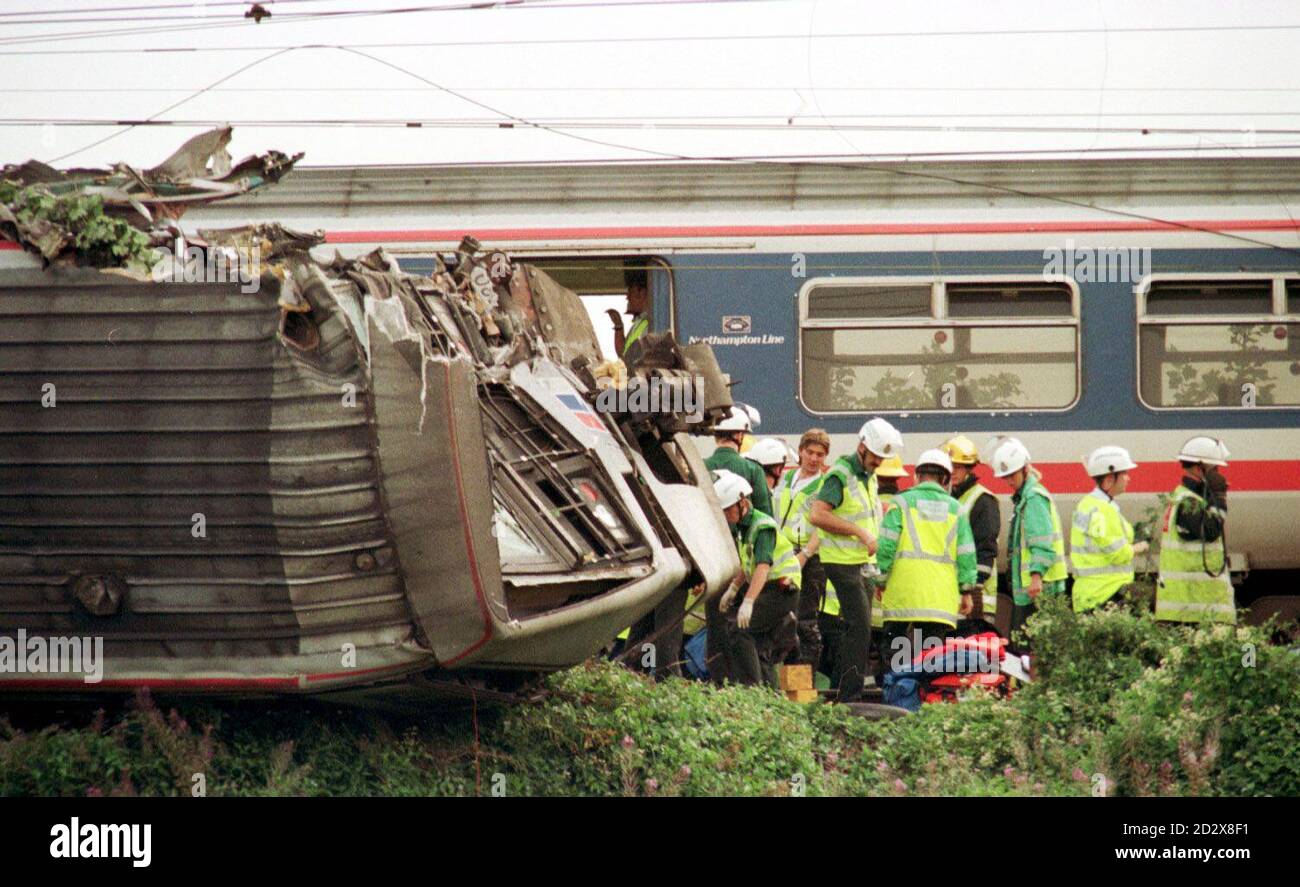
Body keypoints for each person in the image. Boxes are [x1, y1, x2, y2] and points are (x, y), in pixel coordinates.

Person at [807, 417, 901, 702]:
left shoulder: (867, 477)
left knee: (859, 629)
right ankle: (848, 696)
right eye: (876, 456)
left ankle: (842, 692)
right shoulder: (841, 474)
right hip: (842, 561)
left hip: (860, 563)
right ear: (862, 447)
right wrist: (860, 533)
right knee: (858, 627)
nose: (879, 463)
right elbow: (817, 515)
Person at [876, 449, 978, 670]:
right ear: (945, 479)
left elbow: (885, 547)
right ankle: (926, 701)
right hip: (938, 601)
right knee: (930, 662)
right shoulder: (957, 510)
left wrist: (880, 580)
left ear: (917, 476)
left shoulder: (900, 503)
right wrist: (966, 590)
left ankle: (895, 700)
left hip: (902, 595)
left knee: (896, 658)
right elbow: (966, 554)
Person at [713, 470, 803, 687]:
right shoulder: (745, 527)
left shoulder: (762, 527)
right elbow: (749, 564)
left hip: (782, 590)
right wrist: (734, 588)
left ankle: (752, 689)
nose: (726, 515)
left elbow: (762, 566)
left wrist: (748, 601)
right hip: (772, 589)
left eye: (728, 509)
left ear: (742, 502)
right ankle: (769, 697)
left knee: (738, 630)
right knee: (760, 647)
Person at [991, 438, 1067, 647]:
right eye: (1005, 477)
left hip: (1039, 590)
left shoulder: (1033, 499)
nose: (1008, 482)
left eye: (1012, 476)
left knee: (1030, 650)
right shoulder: (1026, 498)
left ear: (1025, 470)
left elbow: (1042, 542)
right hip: (1032, 590)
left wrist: (1036, 576)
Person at [1156, 436, 1235, 624]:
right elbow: (1211, 530)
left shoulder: (1190, 499)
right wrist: (1219, 498)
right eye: (1215, 469)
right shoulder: (1188, 503)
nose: (1218, 475)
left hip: (1196, 607)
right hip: (1191, 611)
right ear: (1200, 468)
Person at [773, 429, 830, 669]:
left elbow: (824, 525)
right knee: (781, 618)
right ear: (800, 451)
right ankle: (784, 673)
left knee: (805, 620)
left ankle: (805, 678)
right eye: (810, 452)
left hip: (808, 558)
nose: (814, 458)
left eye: (820, 454)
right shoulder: (785, 478)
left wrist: (805, 554)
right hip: (782, 554)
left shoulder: (826, 485)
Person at [1071, 445, 1148, 613]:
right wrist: (1140, 547)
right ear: (1108, 480)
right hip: (1106, 595)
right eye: (1124, 474)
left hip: (1090, 593)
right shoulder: (1104, 511)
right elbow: (1120, 554)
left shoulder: (1088, 504)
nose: (1128, 479)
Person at [942, 435, 1001, 628]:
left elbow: (986, 549)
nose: (953, 472)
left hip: (978, 599)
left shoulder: (983, 500)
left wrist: (973, 589)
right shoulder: (950, 500)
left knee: (976, 655)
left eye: (958, 467)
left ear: (968, 469)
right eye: (949, 467)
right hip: (955, 596)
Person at [703, 404, 772, 516]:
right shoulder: (754, 470)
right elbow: (765, 518)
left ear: (715, 435)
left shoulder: (700, 467)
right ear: (739, 436)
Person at [608, 265, 650, 358]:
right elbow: (623, 353)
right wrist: (619, 326)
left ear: (642, 293)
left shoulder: (651, 324)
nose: (627, 297)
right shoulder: (639, 323)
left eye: (630, 292)